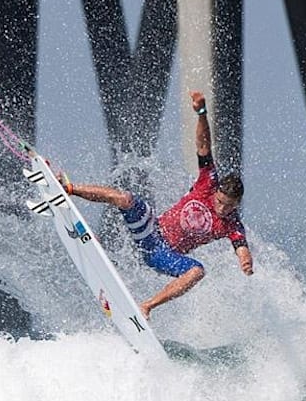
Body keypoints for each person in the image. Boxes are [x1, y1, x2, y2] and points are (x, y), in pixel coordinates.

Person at [62, 91, 253, 318]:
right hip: (152, 229)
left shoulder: (232, 223)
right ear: (217, 192)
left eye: (229, 206)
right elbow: (203, 146)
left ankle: (147, 306)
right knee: (125, 199)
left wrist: (245, 261)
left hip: (164, 254)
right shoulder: (208, 183)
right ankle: (69, 189)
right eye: (220, 202)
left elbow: (241, 247)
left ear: (237, 204)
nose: (222, 209)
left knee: (196, 271)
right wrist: (201, 113)